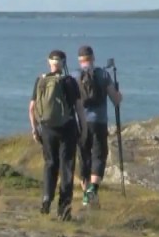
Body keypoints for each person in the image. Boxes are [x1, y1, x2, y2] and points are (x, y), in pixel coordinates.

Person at [28, 49, 87, 220]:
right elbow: (79, 109)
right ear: (63, 63)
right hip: (67, 128)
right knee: (66, 167)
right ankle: (64, 209)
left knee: (50, 164)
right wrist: (83, 130)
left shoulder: (40, 80)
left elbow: (31, 109)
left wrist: (34, 129)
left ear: (49, 62)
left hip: (46, 129)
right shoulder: (69, 81)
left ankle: (46, 197)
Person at [75, 45, 122, 207]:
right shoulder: (103, 74)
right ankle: (92, 191)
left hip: (80, 123)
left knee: (84, 159)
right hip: (99, 122)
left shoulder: (74, 76)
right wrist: (118, 93)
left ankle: (87, 196)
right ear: (93, 57)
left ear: (79, 60)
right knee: (99, 156)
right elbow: (115, 100)